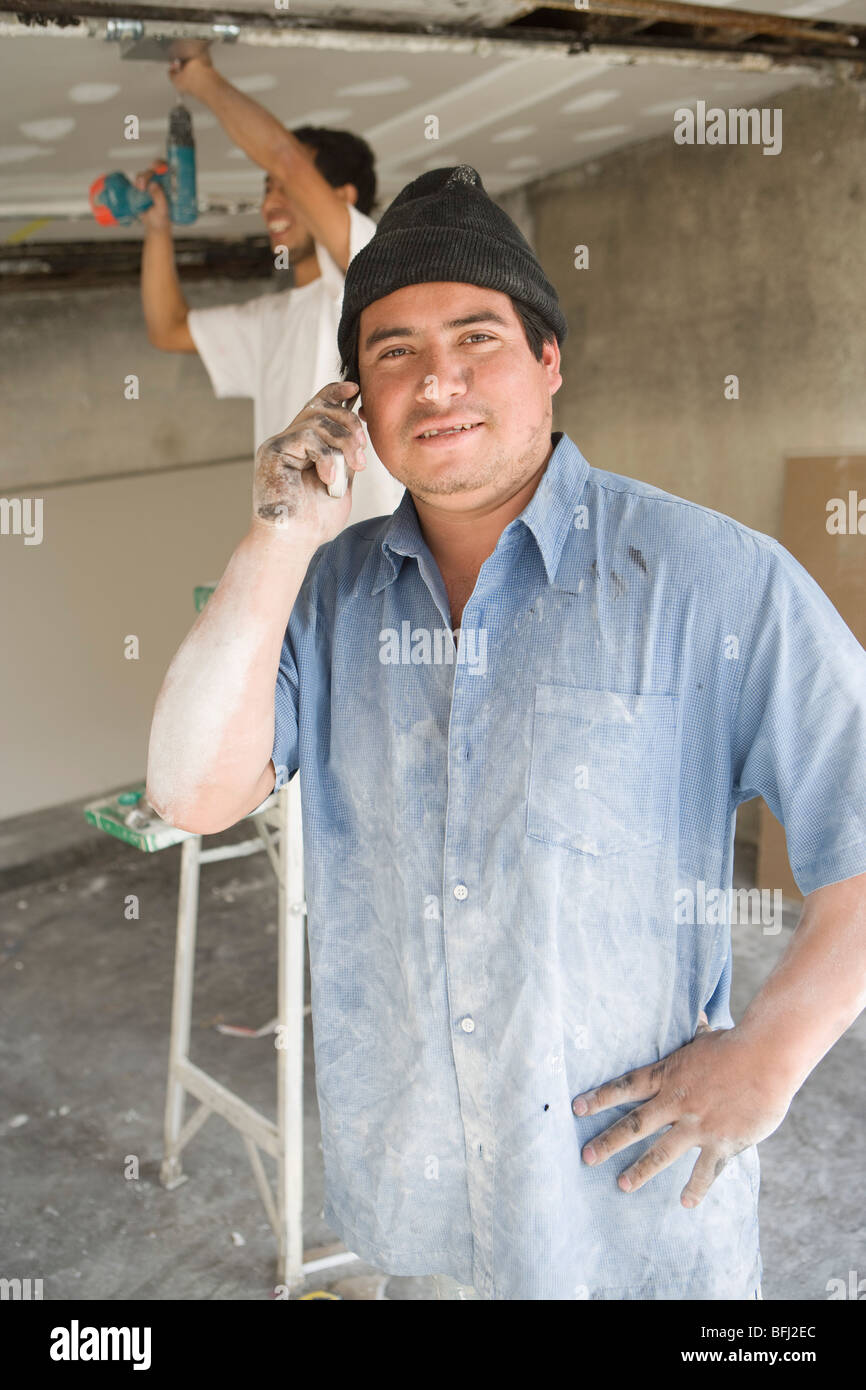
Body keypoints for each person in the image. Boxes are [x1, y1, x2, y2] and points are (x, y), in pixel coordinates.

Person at [146, 164, 866, 1300]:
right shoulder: (327, 595)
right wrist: (275, 538)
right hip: (422, 1225)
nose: (436, 378)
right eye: (391, 352)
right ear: (355, 401)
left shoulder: (706, 581)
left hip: (630, 1229)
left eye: (475, 336)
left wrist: (766, 1059)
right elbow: (189, 792)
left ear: (547, 362)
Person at [137, 44, 403, 522]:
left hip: (371, 563)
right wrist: (158, 229)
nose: (271, 205)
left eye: (284, 188)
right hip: (295, 575)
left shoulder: (368, 274)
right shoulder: (270, 320)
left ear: (342, 198)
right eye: (266, 191)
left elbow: (286, 159)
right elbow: (168, 328)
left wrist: (201, 78)